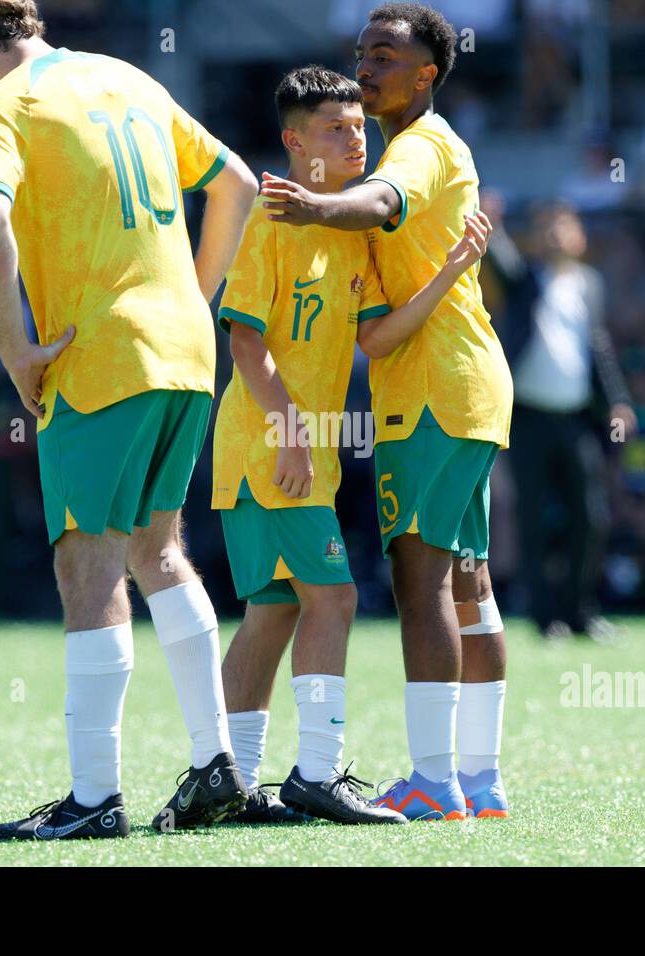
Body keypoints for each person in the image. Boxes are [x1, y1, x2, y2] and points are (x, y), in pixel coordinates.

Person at [0, 0, 259, 839]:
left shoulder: (1, 106)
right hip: (184, 352)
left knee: (90, 564)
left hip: (102, 358)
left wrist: (17, 349)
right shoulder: (126, 76)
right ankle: (216, 766)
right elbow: (239, 183)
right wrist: (195, 296)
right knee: (159, 547)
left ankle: (93, 797)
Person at [214, 65, 489, 826]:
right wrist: (291, 429)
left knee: (271, 612)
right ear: (293, 142)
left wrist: (447, 274)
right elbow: (244, 344)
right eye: (336, 128)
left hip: (295, 454)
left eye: (359, 126)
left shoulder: (352, 233)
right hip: (269, 446)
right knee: (333, 598)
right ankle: (317, 774)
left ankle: (227, 776)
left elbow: (375, 337)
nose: (355, 137)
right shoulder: (269, 218)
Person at [510, 204, 634, 639]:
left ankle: (581, 610)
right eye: (545, 228)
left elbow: (599, 348)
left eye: (562, 227)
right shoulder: (525, 279)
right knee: (533, 516)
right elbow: (499, 259)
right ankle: (545, 617)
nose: (555, 236)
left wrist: (617, 400)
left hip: (576, 417)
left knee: (591, 513)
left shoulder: (588, 285)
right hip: (528, 416)